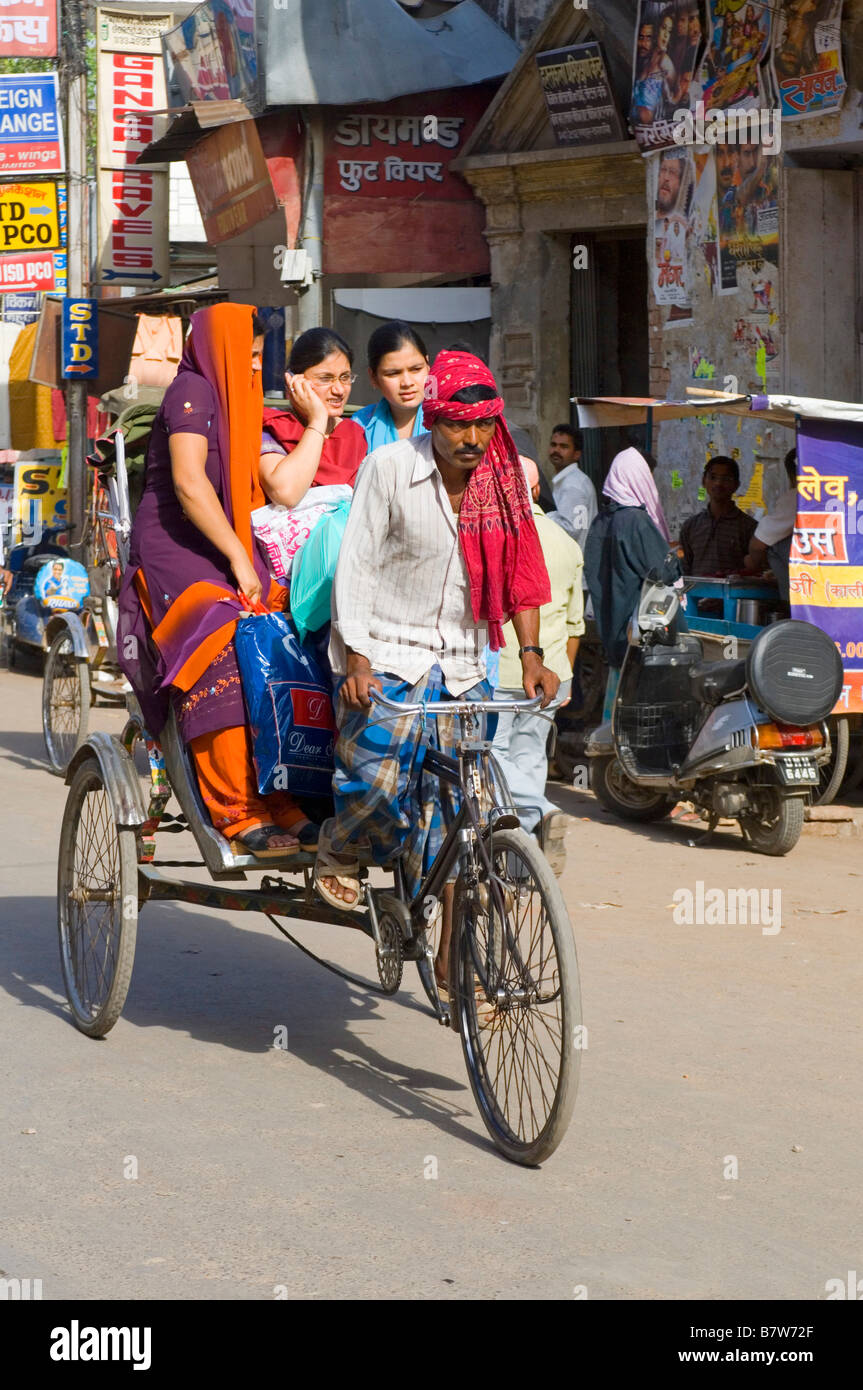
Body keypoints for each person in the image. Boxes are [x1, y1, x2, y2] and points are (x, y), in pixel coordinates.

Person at [314, 350, 557, 993]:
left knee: (461, 816)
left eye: (482, 425)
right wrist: (358, 657)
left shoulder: (502, 481)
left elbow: (521, 574)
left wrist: (531, 655)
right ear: (432, 417)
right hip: (388, 651)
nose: (471, 439)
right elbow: (357, 566)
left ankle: (454, 951)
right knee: (376, 782)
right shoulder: (390, 469)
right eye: (456, 425)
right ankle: (342, 846)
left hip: (465, 664)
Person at [117, 304, 316, 859]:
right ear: (219, 349)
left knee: (280, 638)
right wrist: (239, 558)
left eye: (259, 357)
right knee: (224, 643)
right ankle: (236, 807)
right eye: (247, 355)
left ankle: (281, 796)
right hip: (174, 548)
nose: (255, 367)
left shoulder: (240, 399)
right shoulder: (193, 390)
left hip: (226, 544)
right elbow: (188, 485)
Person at [492, 457, 585, 875]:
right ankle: (524, 861)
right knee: (529, 759)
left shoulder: (495, 535)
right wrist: (564, 677)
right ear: (535, 491)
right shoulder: (567, 542)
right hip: (550, 675)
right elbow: (574, 623)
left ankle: (538, 813)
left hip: (502, 672)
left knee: (491, 759)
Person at [584, 447, 679, 718]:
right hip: (641, 637)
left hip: (613, 630)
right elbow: (663, 572)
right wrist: (675, 557)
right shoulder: (636, 521)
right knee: (641, 715)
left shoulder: (602, 521)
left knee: (616, 705)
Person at [257, 328, 367, 508]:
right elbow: (285, 494)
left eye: (345, 378)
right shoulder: (272, 427)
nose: (339, 390)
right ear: (292, 380)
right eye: (326, 378)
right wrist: (317, 420)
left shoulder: (354, 433)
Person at [351, 321, 430, 451]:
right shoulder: (360, 426)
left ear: (428, 366)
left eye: (416, 369)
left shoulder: (447, 419)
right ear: (373, 377)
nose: (407, 382)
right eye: (393, 373)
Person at [679, 455, 757, 576]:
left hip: (735, 594)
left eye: (726, 479)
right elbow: (684, 568)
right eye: (713, 477)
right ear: (703, 481)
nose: (718, 483)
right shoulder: (691, 526)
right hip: (697, 593)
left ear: (736, 485)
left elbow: (754, 570)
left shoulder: (749, 527)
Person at [744, 448, 797, 600]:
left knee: (773, 546)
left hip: (811, 588)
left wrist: (752, 561)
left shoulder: (798, 497)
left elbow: (758, 543)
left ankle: (789, 605)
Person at [548, 423, 597, 553]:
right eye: (553, 445)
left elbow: (570, 529)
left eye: (564, 446)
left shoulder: (573, 485)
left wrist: (541, 516)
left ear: (576, 454)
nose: (556, 450)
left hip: (571, 565)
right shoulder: (567, 480)